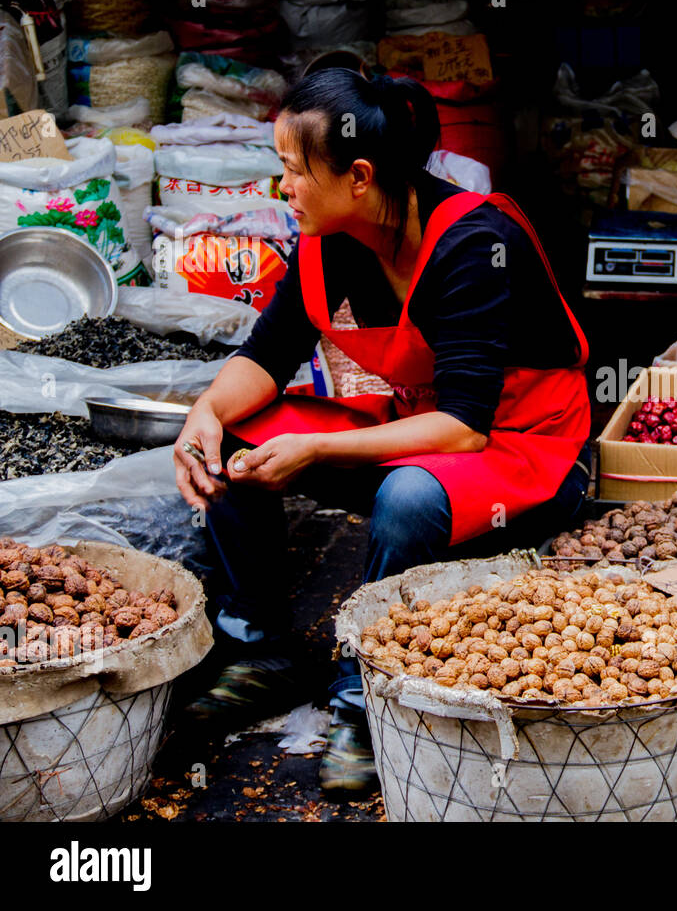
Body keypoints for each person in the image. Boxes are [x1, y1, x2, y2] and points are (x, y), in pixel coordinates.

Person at [172, 68, 591, 793]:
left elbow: (464, 429)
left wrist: (318, 448)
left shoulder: (471, 245)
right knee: (236, 440)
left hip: (522, 446)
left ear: (358, 175)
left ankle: (363, 698)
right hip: (413, 422)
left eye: (293, 171)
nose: (284, 189)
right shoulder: (329, 239)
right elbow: (268, 356)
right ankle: (260, 646)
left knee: (406, 500)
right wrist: (204, 413)